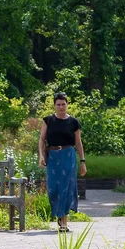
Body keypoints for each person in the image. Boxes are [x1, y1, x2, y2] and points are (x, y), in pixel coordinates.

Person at [39, 92, 86, 232]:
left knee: (66, 187)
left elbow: (78, 143)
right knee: (53, 188)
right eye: (58, 104)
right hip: (53, 156)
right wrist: (41, 156)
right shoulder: (48, 120)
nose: (61, 107)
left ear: (67, 104)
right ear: (54, 105)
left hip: (68, 155)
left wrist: (82, 161)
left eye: (63, 104)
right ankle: (60, 215)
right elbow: (42, 139)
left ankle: (64, 221)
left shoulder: (74, 122)